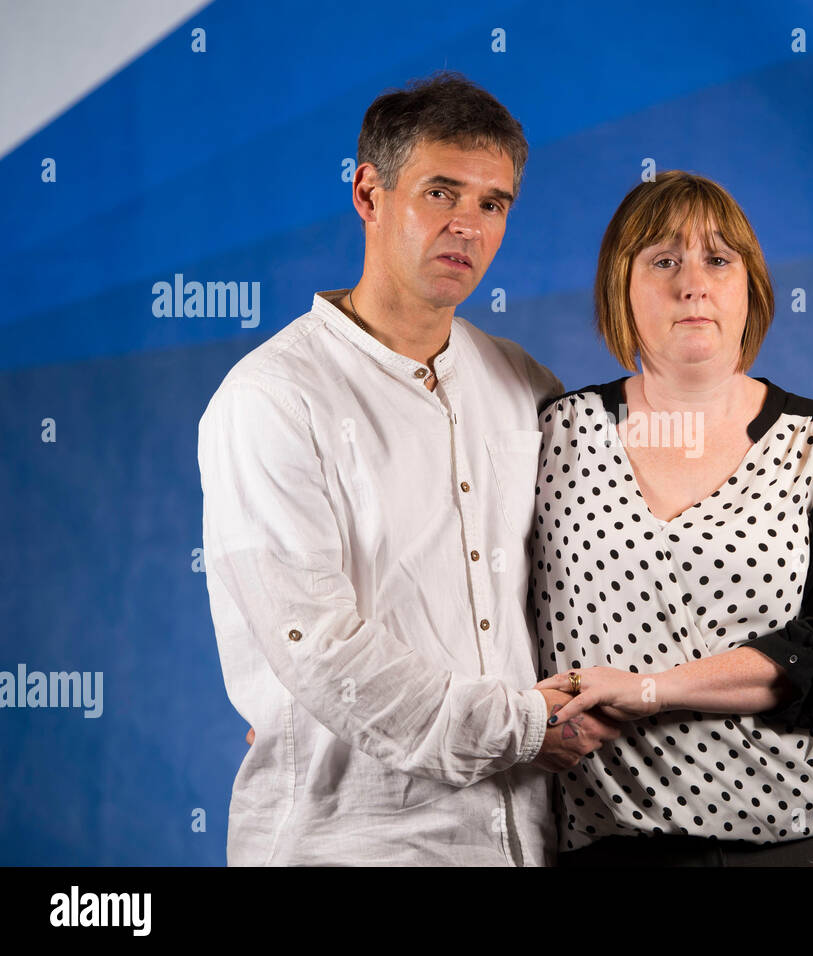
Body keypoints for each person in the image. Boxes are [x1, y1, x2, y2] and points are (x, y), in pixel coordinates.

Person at [198, 72, 624, 866]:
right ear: (369, 193)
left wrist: (794, 682)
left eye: (493, 204)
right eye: (441, 192)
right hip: (353, 844)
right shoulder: (273, 399)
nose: (467, 226)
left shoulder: (525, 386)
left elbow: (606, 568)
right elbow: (320, 646)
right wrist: (523, 727)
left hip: (528, 840)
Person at [529, 171, 813, 866]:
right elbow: (454, 572)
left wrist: (645, 692)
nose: (692, 283)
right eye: (663, 260)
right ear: (618, 288)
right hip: (612, 848)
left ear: (749, 286)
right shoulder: (557, 434)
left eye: (717, 260)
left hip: (801, 845)